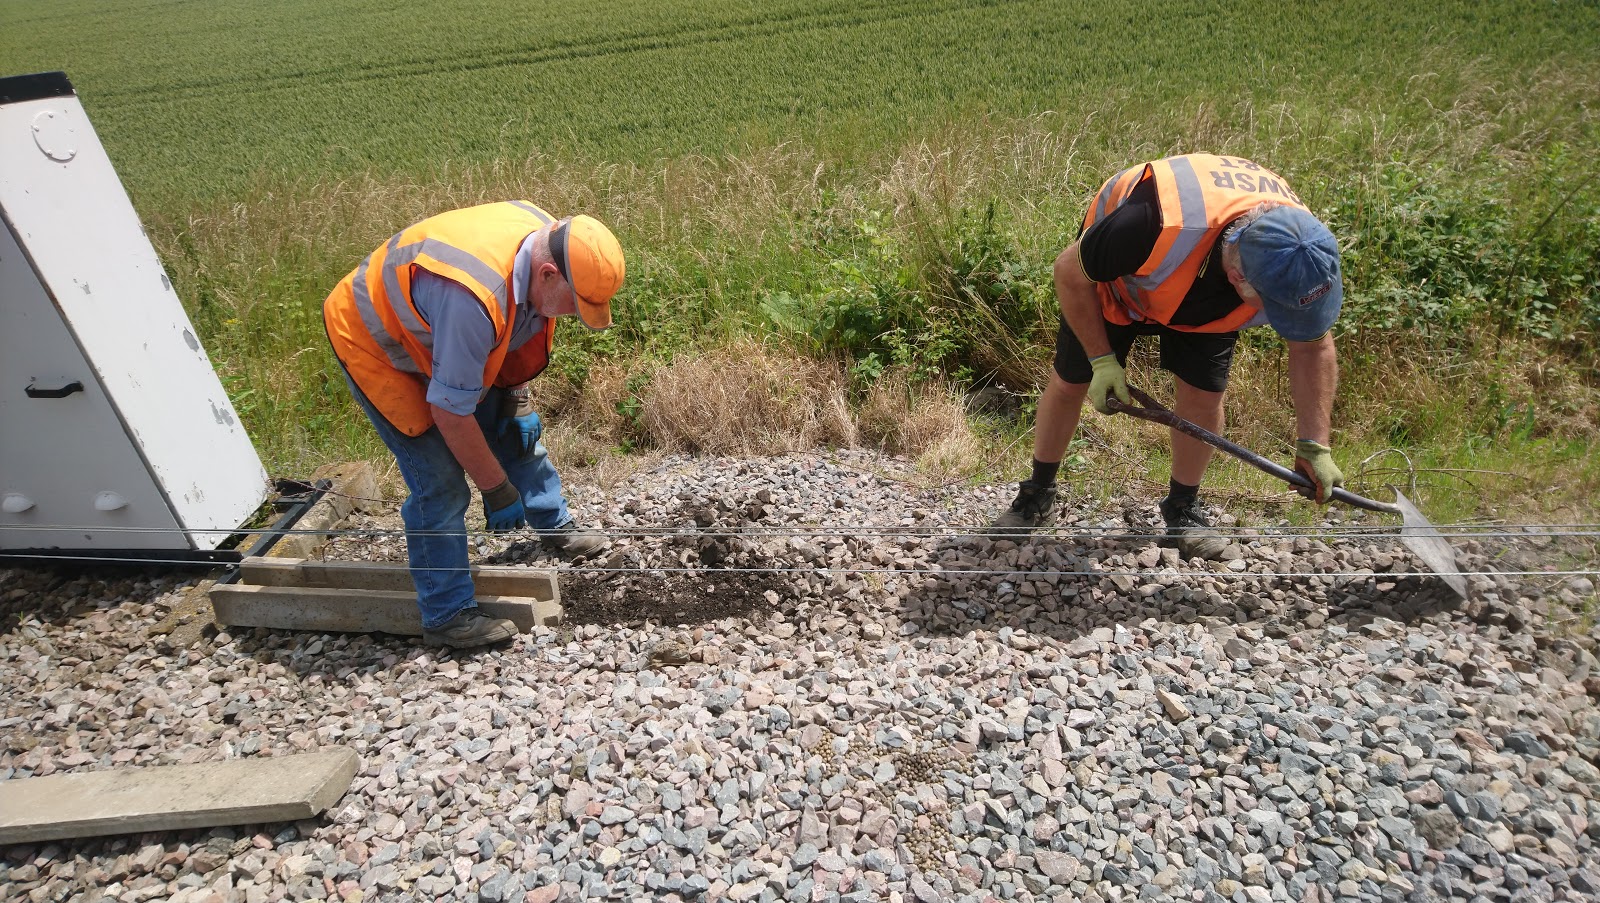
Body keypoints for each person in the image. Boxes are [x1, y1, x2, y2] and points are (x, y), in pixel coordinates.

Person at [989, 154, 1345, 559]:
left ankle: (1184, 511)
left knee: (1203, 396)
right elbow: (1069, 272)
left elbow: (1313, 345)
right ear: (1238, 277)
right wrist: (1102, 360)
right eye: (1271, 307)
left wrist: (1315, 445)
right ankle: (1036, 494)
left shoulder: (1302, 251)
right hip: (1119, 282)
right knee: (1072, 381)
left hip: (1201, 299)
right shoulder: (1147, 225)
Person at [324, 201, 624, 647]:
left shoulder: (551, 239)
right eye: (574, 304)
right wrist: (495, 486)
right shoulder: (474, 299)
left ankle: (553, 523)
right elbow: (450, 412)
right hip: (382, 347)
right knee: (440, 481)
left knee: (514, 430)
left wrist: (516, 400)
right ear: (546, 274)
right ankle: (447, 614)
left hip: (444, 329)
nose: (574, 316)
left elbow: (518, 331)